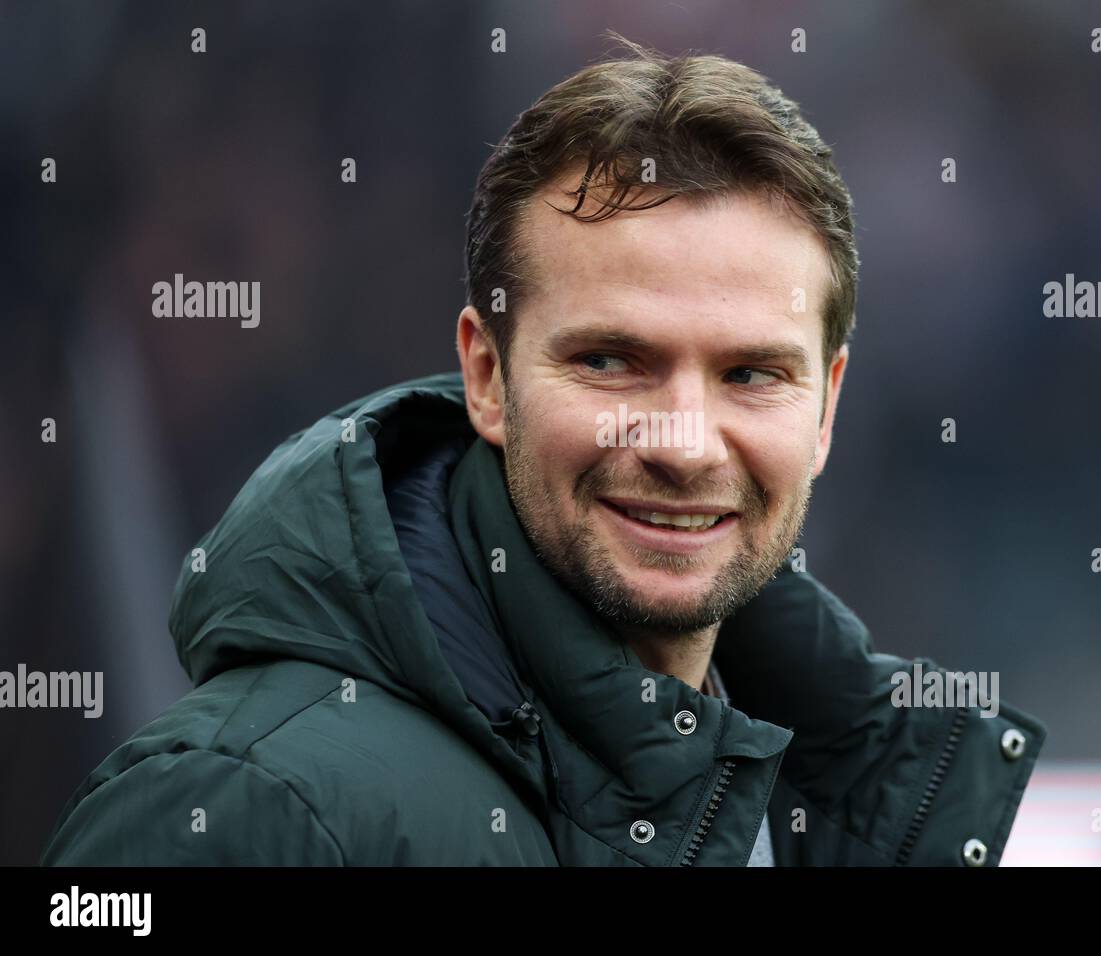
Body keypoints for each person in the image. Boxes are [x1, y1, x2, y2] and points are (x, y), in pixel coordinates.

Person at [42, 35, 1044, 867]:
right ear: (487, 376)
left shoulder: (840, 796)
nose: (685, 443)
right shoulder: (239, 813)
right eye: (612, 360)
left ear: (823, 411)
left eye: (750, 374)